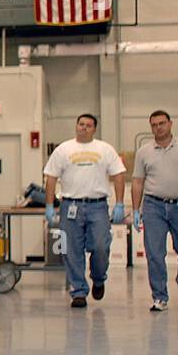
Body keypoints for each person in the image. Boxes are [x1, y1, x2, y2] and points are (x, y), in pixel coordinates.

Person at [43, 114, 127, 308]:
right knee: (71, 250)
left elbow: (119, 175)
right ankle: (78, 291)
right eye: (81, 124)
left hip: (98, 206)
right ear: (76, 126)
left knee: (100, 246)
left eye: (88, 125)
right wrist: (49, 205)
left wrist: (120, 203)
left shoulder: (105, 149)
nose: (84, 128)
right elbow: (51, 178)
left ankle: (98, 278)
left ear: (94, 129)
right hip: (70, 205)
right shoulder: (63, 149)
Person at [131, 110, 178, 312]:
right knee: (154, 253)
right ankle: (159, 297)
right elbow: (137, 181)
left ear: (170, 124)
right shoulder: (143, 152)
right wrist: (136, 210)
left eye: (162, 123)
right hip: (153, 206)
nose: (158, 128)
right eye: (154, 125)